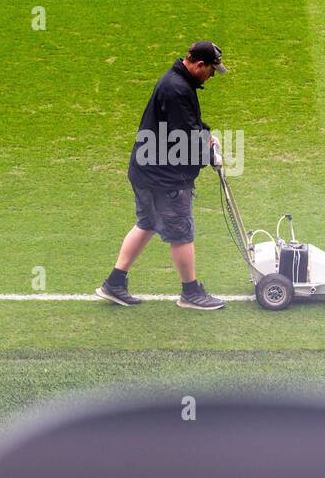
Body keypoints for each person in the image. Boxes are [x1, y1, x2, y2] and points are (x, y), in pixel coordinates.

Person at [97, 41, 228, 310]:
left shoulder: (179, 83)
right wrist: (209, 156)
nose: (212, 75)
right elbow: (185, 137)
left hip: (146, 172)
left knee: (147, 223)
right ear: (199, 65)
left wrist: (207, 136)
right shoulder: (177, 88)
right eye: (212, 70)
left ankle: (114, 283)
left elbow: (187, 125)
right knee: (181, 232)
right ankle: (190, 293)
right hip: (164, 178)